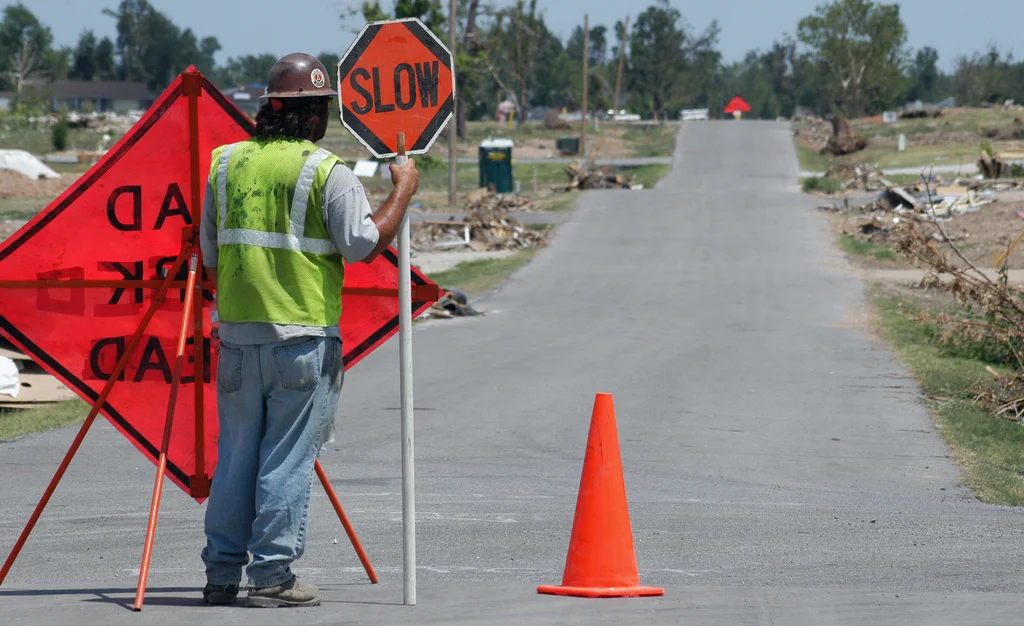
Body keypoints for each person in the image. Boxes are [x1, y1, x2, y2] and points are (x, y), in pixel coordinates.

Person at [198, 53, 419, 608]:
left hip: (236, 342)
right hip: (301, 342)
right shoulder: (327, 170)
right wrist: (405, 189)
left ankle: (222, 574)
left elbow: (207, 255)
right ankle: (272, 574)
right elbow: (364, 245)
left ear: (268, 106)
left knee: (236, 457)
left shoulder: (223, 165)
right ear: (317, 114)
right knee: (286, 459)